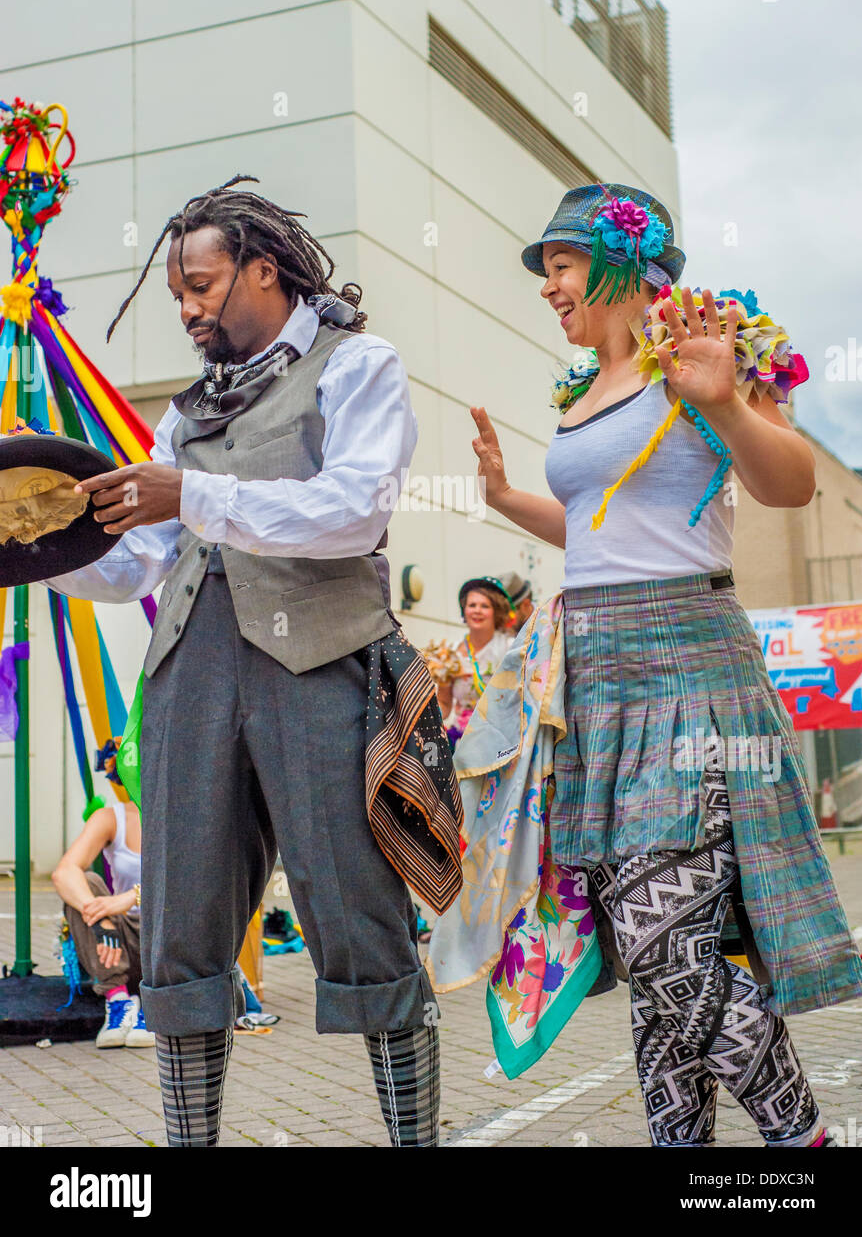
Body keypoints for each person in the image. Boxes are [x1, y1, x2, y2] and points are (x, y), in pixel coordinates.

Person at [39, 176, 461, 1148]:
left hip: (322, 666)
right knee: (181, 936)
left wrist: (191, 494)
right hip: (191, 680)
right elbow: (142, 560)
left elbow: (353, 509)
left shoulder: (359, 366)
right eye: (177, 290)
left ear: (263, 270)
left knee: (360, 918)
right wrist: (39, 549)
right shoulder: (188, 416)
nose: (185, 306)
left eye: (201, 283)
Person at [443, 182, 862, 1147]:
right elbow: (603, 532)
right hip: (597, 675)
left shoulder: (701, 355)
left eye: (560, 264)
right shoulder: (583, 390)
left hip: (688, 666)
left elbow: (789, 483)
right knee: (654, 962)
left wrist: (725, 402)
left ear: (621, 261)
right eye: (546, 269)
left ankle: (804, 1141)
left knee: (658, 940)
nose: (548, 286)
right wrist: (508, 497)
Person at [51, 763, 154, 1048]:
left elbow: (192, 882)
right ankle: (119, 1000)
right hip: (119, 947)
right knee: (85, 883)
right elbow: (64, 873)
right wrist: (101, 919)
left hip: (168, 940)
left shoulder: (186, 816)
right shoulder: (112, 817)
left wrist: (132, 896)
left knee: (178, 905)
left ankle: (156, 1007)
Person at [435, 576, 514, 744]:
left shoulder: (510, 648)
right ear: (464, 610)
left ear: (496, 611)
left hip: (501, 739)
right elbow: (443, 702)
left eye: (484, 606)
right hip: (463, 740)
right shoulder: (450, 653)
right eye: (472, 605)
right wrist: (429, 719)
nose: (477, 610)